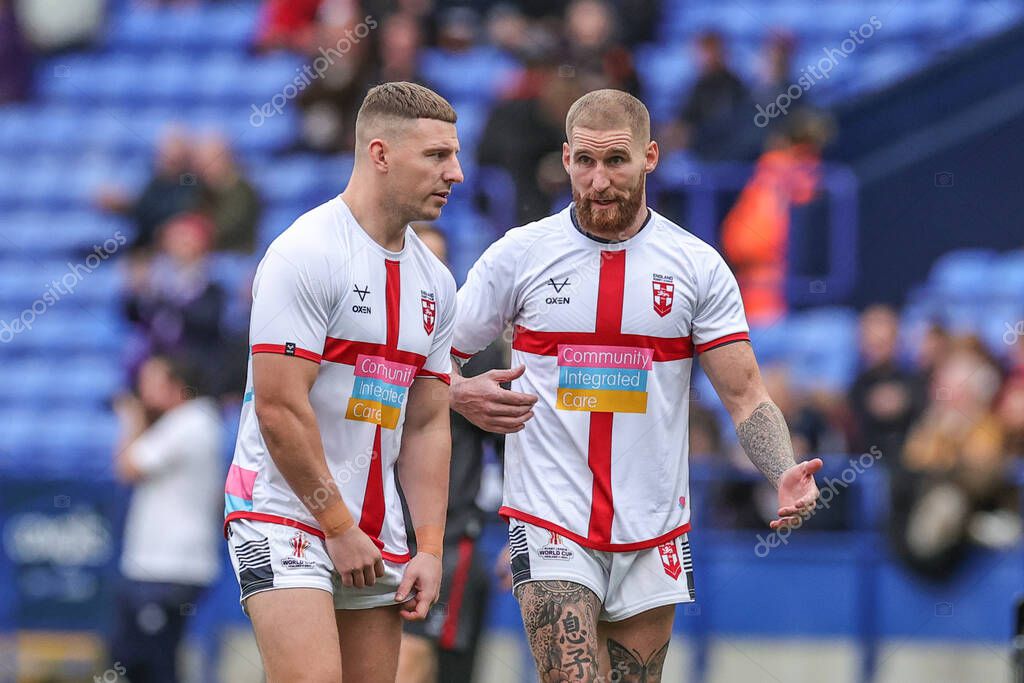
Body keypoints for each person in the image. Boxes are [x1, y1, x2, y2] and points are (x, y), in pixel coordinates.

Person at [450, 89, 823, 682]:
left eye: (616, 161)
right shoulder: (518, 256)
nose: (599, 181)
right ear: (566, 158)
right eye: (585, 161)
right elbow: (433, 356)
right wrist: (457, 391)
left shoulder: (696, 266)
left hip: (654, 529)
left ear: (650, 157)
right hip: (550, 519)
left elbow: (746, 396)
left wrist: (781, 469)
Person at [223, 82, 462, 683]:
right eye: (436, 155)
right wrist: (337, 525)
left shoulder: (436, 282)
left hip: (376, 530)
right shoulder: (305, 253)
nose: (455, 173)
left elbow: (427, 423)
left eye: (454, 156)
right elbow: (278, 409)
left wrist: (430, 548)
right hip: (286, 514)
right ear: (380, 154)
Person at [397, 224, 504, 683]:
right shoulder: (366, 330)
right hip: (367, 529)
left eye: (438, 263)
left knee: (416, 660)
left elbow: (511, 441)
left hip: (446, 537)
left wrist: (524, 533)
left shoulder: (476, 352)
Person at [109, 355, 224, 683]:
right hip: (159, 565)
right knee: (137, 657)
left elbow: (128, 467)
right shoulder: (190, 422)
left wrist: (131, 418)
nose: (142, 391)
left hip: (169, 566)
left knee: (153, 660)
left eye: (151, 383)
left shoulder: (190, 421)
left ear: (177, 387)